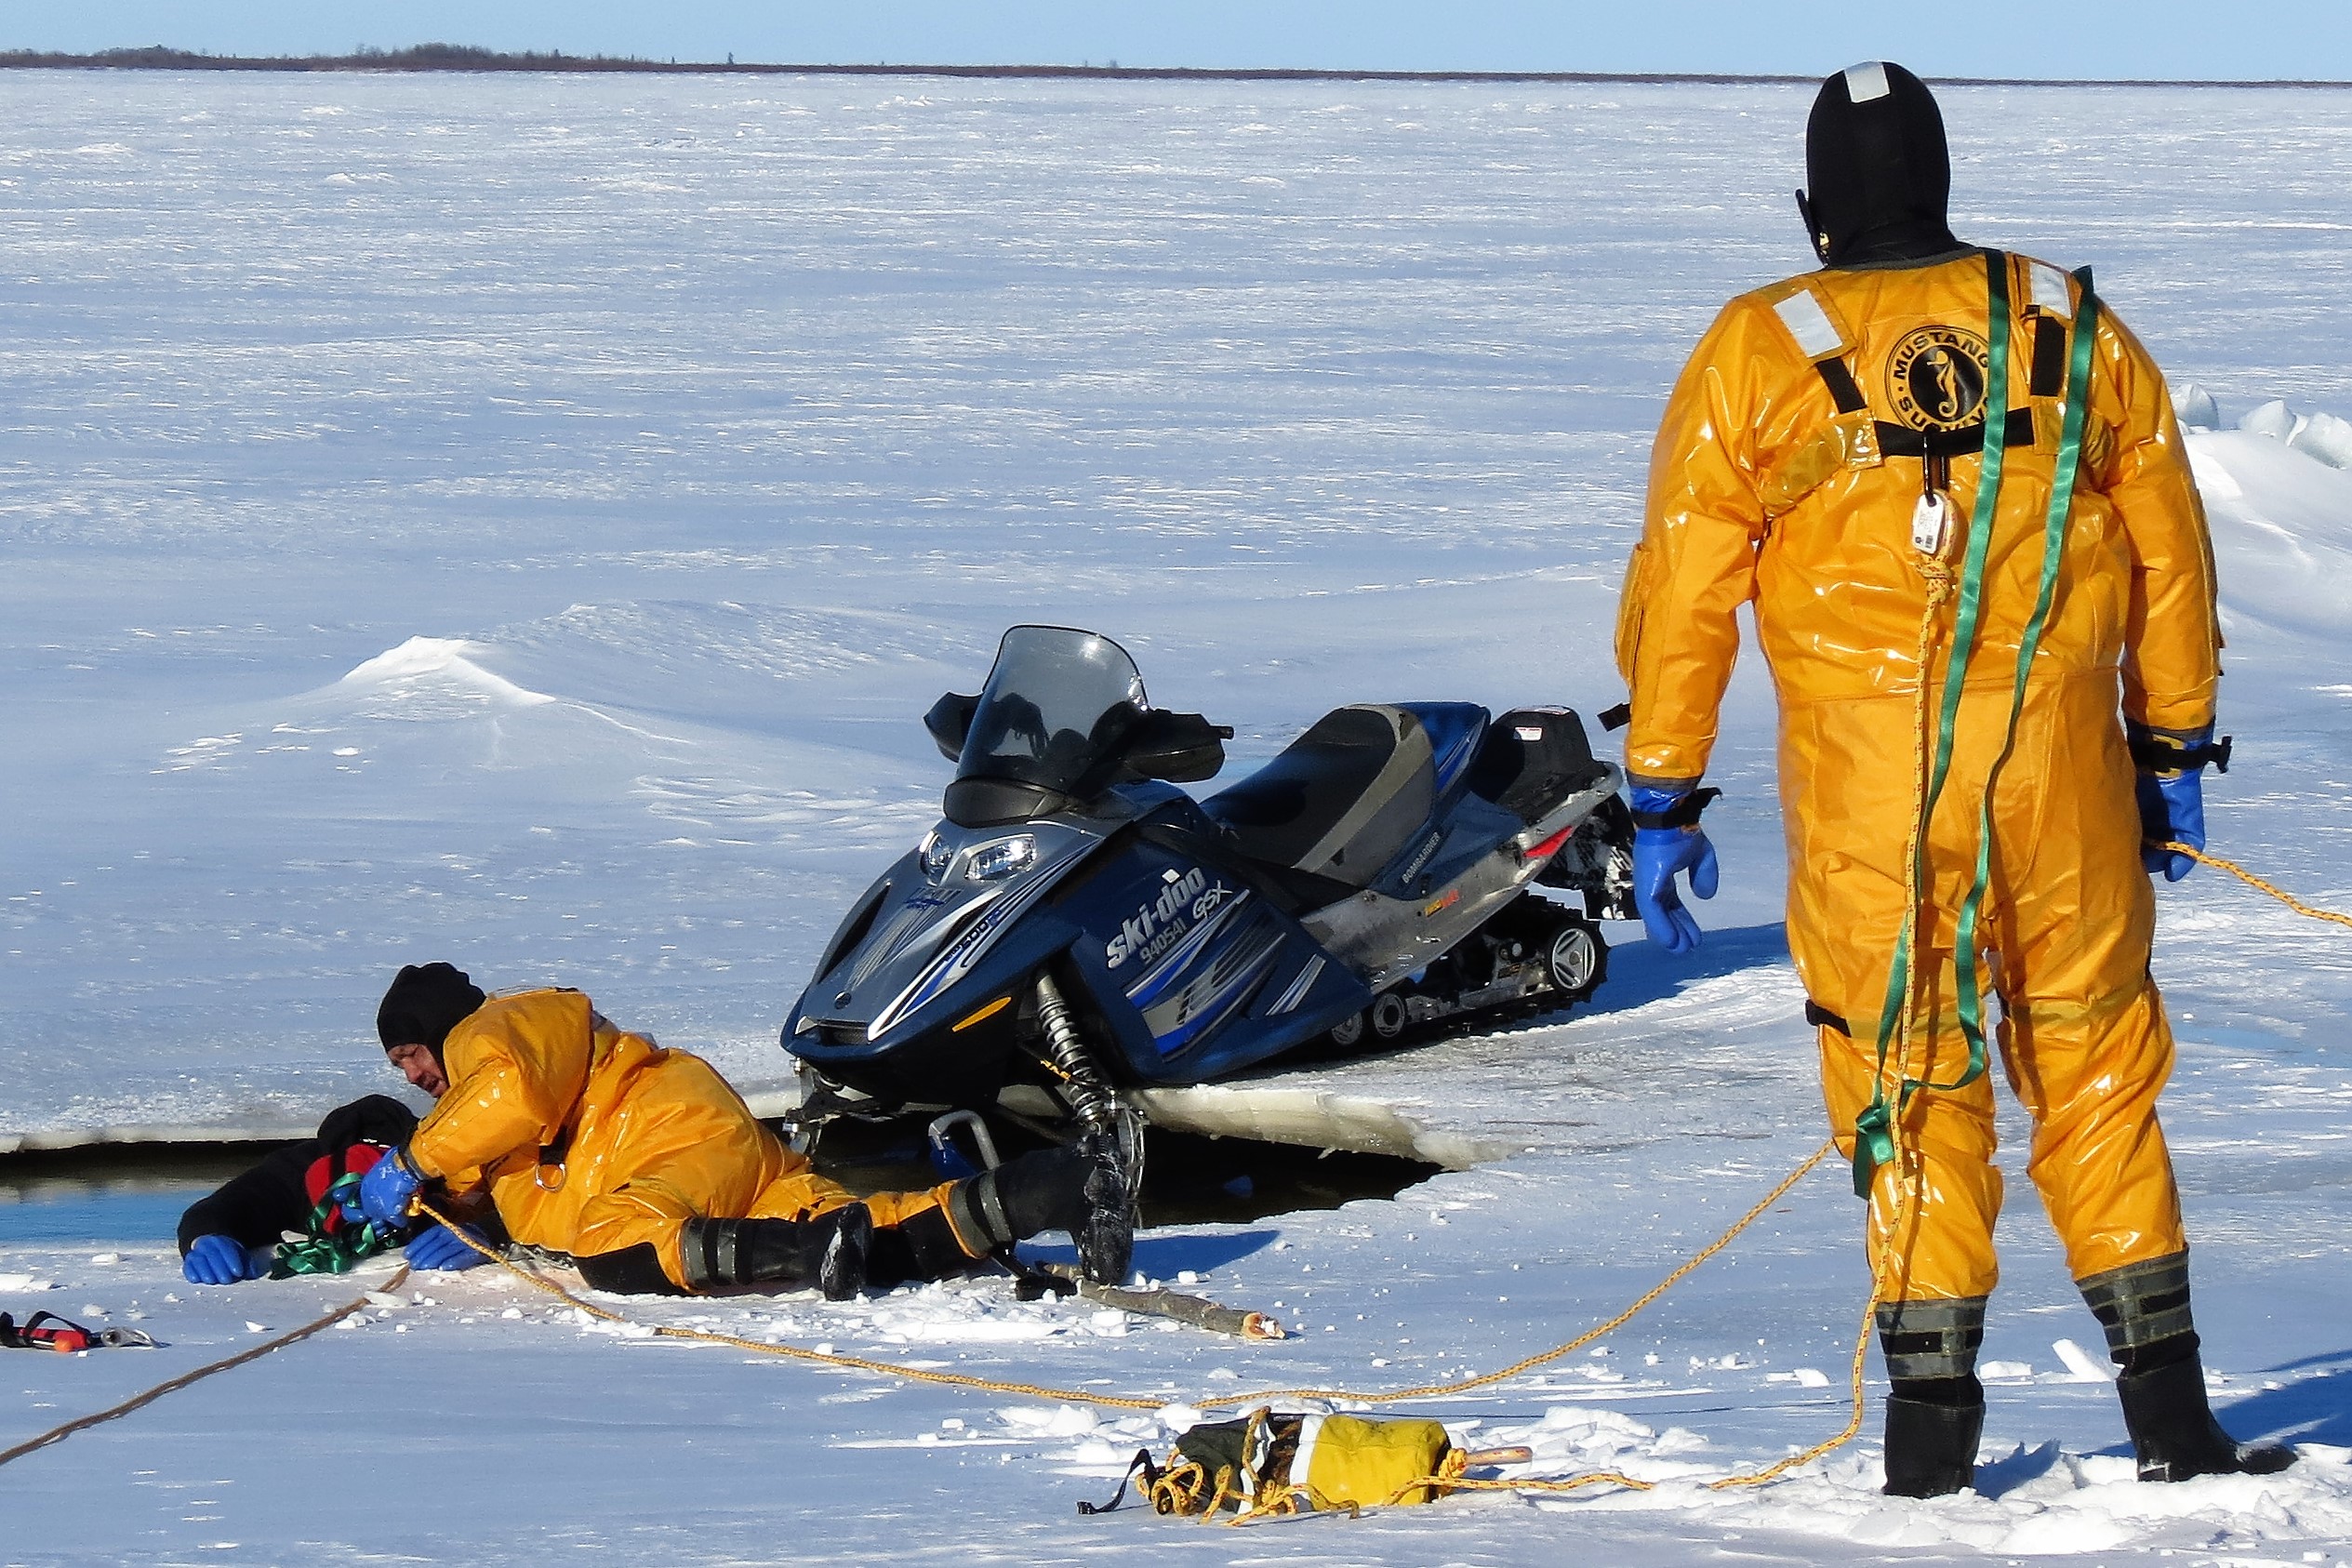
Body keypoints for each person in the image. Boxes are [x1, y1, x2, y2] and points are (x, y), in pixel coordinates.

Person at [1613, 61, 2289, 1496]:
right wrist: (2170, 746)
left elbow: (1682, 589)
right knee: (2095, 1064)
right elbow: (2169, 547)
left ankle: (1929, 1449)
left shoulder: (1758, 347)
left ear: (1815, 208)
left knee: (1900, 1076)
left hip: (1872, 797)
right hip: (2059, 778)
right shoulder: (2063, 321)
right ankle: (2172, 1420)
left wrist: (1662, 789)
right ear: (1939, 180)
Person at [187, 963, 1121, 1297]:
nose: (412, 1077)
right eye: (398, 1071)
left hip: (667, 1139)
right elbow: (491, 1168)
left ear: (436, 1032)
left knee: (614, 1246)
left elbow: (512, 1094)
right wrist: (472, 1225)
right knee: (882, 1233)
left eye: (407, 1055)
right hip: (720, 1159)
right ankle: (1057, 1186)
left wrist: (412, 1159)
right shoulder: (475, 1131)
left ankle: (802, 1255)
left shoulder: (496, 1030)